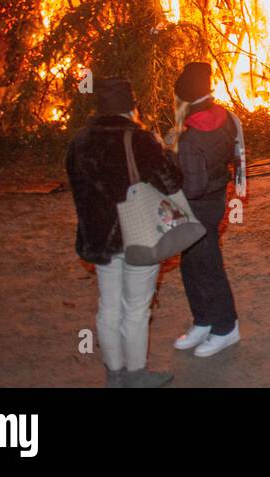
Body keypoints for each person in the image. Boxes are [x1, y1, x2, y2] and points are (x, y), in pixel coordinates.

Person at [66, 77, 183, 388]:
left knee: (109, 307)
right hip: (138, 233)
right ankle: (136, 375)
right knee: (136, 308)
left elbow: (78, 190)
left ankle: (114, 376)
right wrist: (166, 150)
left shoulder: (79, 141)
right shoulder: (140, 140)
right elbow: (171, 183)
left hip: (100, 237)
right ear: (132, 107)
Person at [169, 62, 242, 358]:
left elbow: (193, 186)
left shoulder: (189, 136)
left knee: (208, 266)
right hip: (215, 200)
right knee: (191, 263)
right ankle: (203, 320)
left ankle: (226, 327)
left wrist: (169, 163)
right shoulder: (226, 117)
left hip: (196, 206)